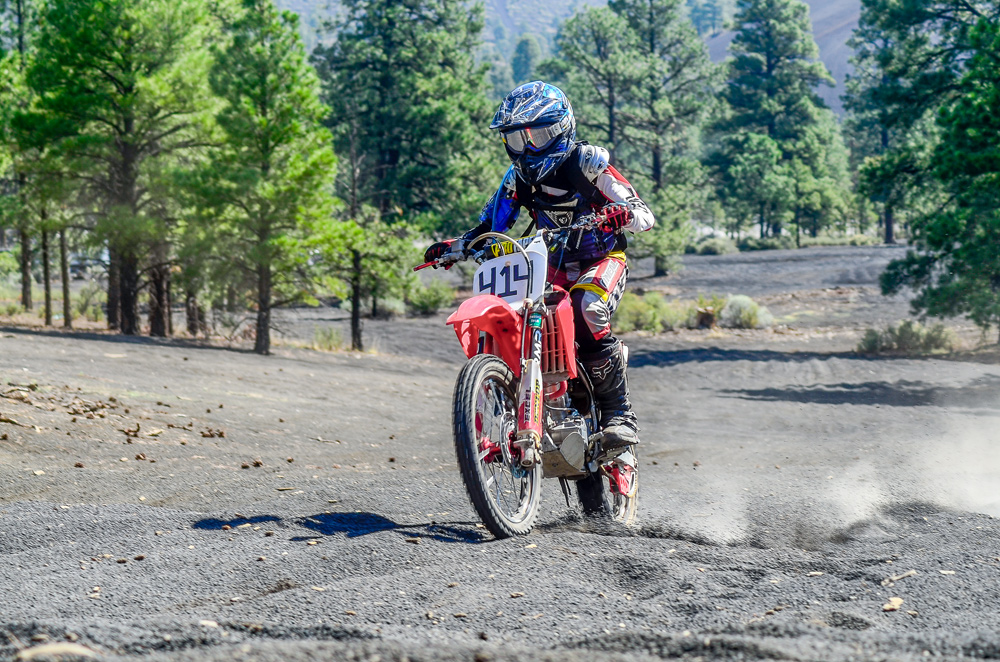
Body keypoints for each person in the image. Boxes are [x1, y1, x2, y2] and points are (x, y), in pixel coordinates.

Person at [424, 81, 655, 451]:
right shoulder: (517, 179)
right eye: (518, 139)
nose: (529, 147)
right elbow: (490, 227)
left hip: (602, 258)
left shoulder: (589, 163)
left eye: (539, 135)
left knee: (587, 309)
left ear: (562, 129)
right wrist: (454, 248)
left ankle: (618, 414)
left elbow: (644, 215)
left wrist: (620, 214)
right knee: (523, 315)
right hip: (551, 265)